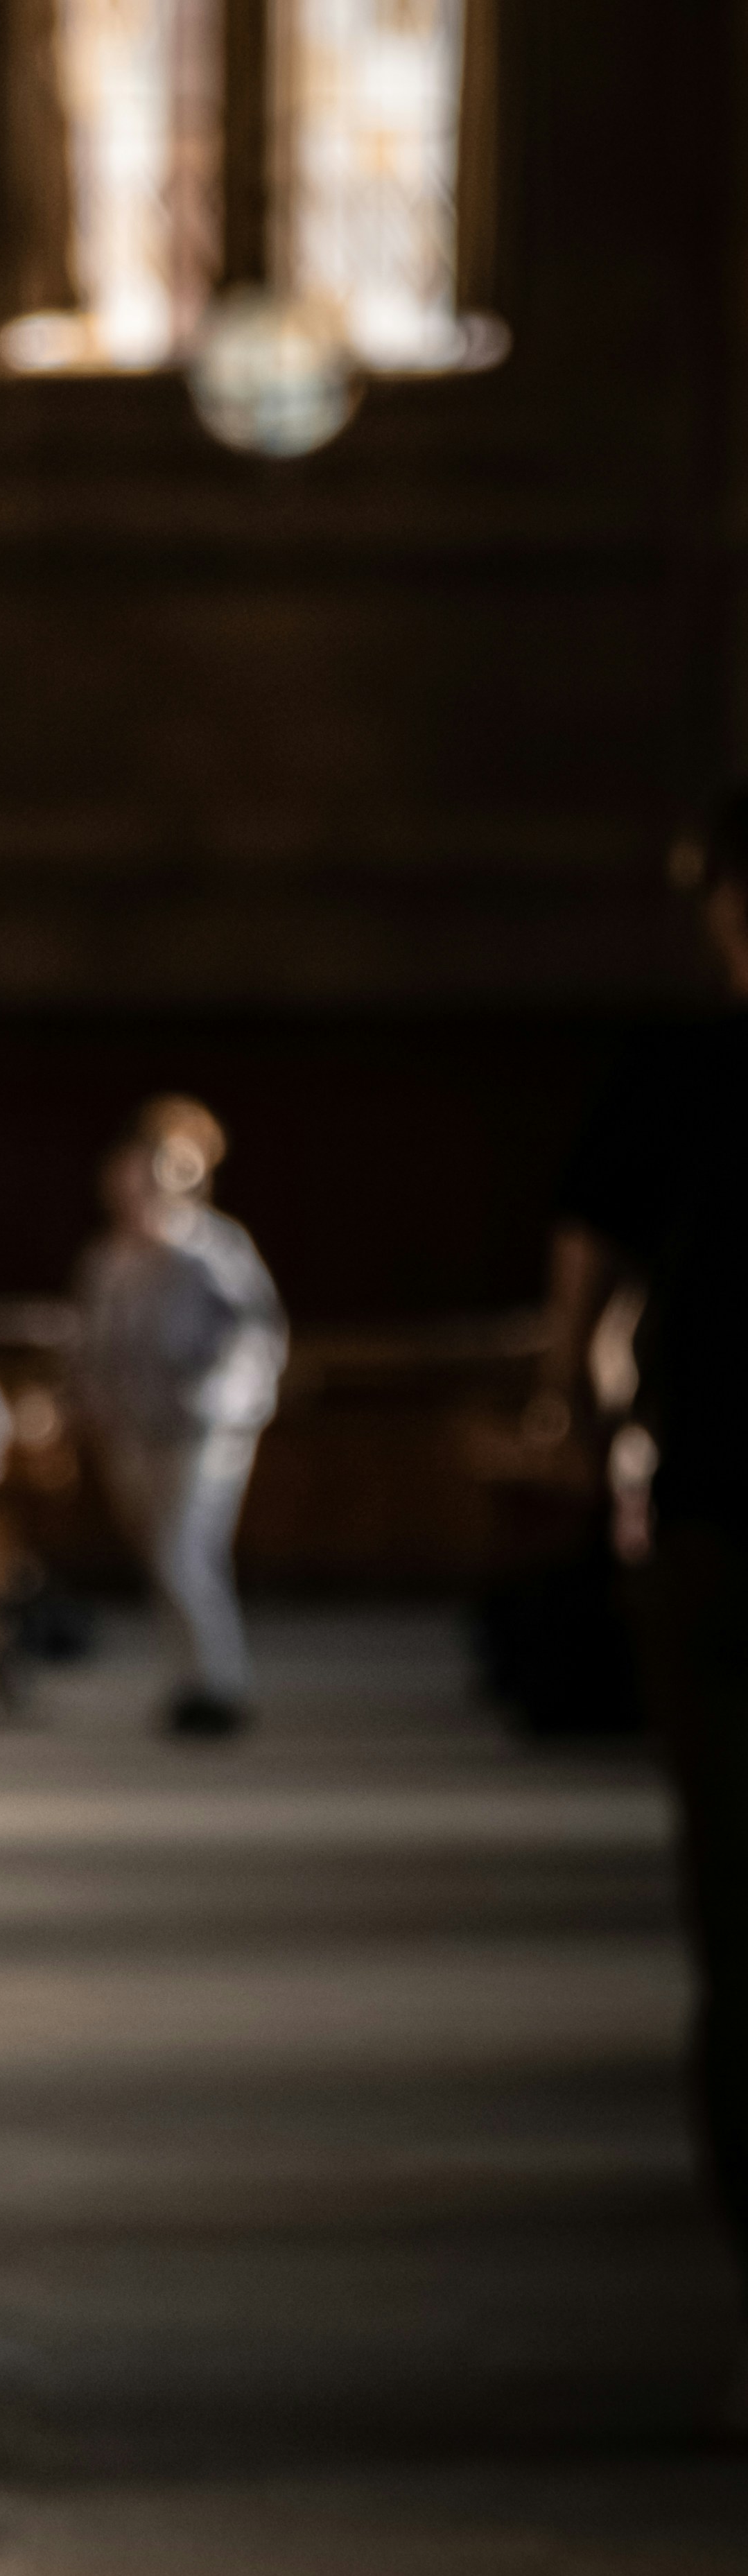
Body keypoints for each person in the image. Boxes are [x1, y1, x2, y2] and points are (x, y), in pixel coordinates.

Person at [547, 788, 748, 2361]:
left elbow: (586, 1290)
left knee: (738, 1922)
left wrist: (593, 1419)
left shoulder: (686, 1075)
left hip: (719, 1530)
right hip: (713, 1532)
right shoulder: (682, 1073)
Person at [67, 1095, 287, 1738]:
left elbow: (256, 1337)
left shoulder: (211, 1251)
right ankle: (190, 1681)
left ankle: (222, 1685)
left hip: (203, 1432)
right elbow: (92, 1349)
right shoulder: (109, 1262)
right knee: (164, 1557)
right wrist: (91, 1407)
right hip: (133, 1434)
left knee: (183, 1552)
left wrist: (220, 1400)